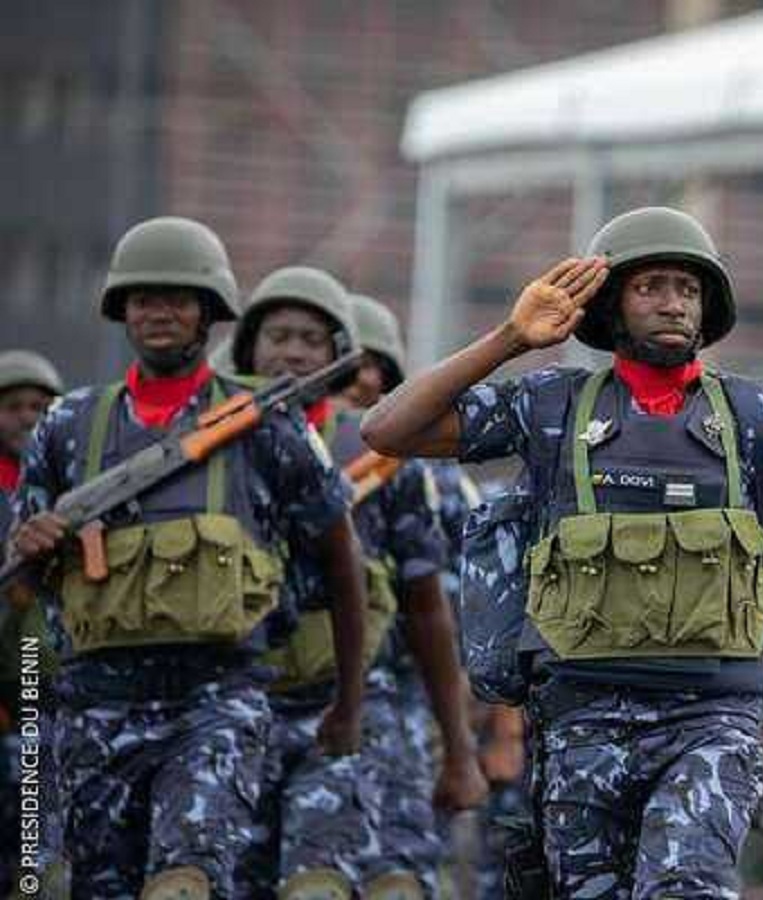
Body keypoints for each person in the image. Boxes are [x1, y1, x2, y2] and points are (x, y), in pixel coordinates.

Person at [361, 205, 763, 898]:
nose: (672, 303)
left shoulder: (758, 419)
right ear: (613, 305)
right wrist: (510, 337)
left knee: (685, 882)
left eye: (687, 289)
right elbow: (388, 429)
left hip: (713, 716)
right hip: (581, 717)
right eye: (650, 285)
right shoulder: (553, 409)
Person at [9, 218, 361, 900]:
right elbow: (25, 587)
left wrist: (348, 703)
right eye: (144, 298)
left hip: (216, 698)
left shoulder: (265, 423)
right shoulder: (67, 426)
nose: (160, 312)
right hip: (97, 703)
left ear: (209, 311)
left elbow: (340, 560)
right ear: (122, 311)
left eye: (178, 297)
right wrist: (30, 550)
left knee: (187, 880)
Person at [225, 266, 381, 900]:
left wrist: (352, 703)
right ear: (249, 347)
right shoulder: (210, 442)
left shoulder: (371, 444)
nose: (292, 352)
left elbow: (422, 602)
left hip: (322, 697)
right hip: (229, 700)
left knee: (318, 883)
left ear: (338, 354)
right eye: (278, 335)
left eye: (311, 339)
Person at [342, 291, 487, 898]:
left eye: (378, 364)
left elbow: (477, 606)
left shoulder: (438, 479)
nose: (364, 376)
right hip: (289, 700)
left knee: (398, 873)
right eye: (349, 361)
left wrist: (480, 736)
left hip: (408, 704)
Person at [0, 349, 64, 897]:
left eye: (40, 406)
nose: (27, 417)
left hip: (46, 692)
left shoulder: (68, 490)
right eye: (14, 406)